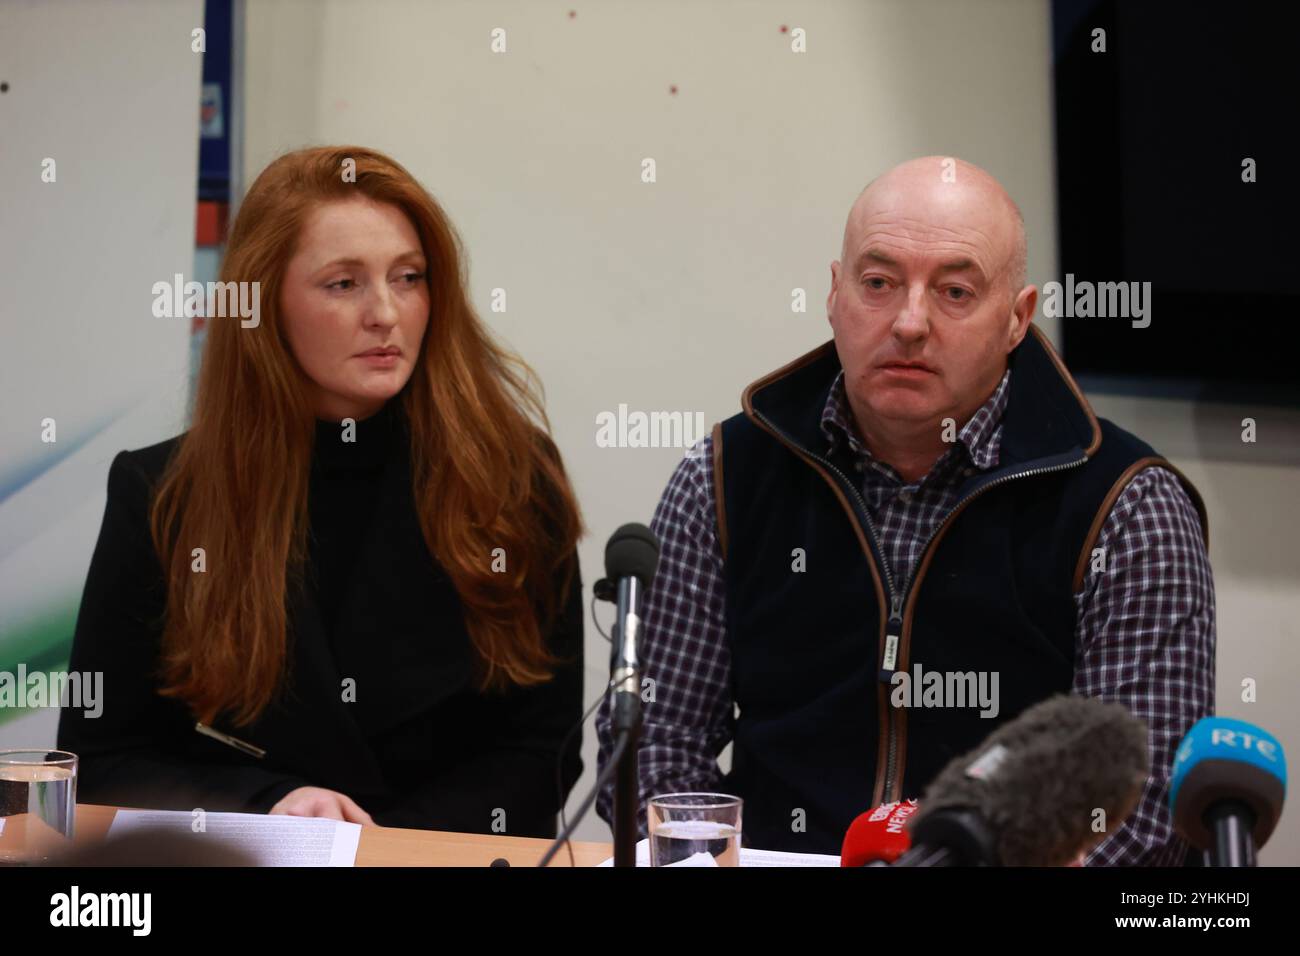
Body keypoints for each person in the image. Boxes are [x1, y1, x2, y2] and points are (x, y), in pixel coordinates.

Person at [596, 156, 1214, 863]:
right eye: (879, 284)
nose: (910, 323)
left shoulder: (1126, 505)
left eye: (954, 291)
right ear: (835, 295)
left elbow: (1140, 812)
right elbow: (657, 749)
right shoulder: (726, 475)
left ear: (1016, 319)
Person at [59, 146, 585, 838]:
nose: (387, 314)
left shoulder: (513, 478)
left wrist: (380, 851)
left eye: (410, 277)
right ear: (264, 302)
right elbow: (101, 758)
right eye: (343, 284)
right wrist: (267, 806)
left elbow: (541, 752)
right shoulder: (161, 494)